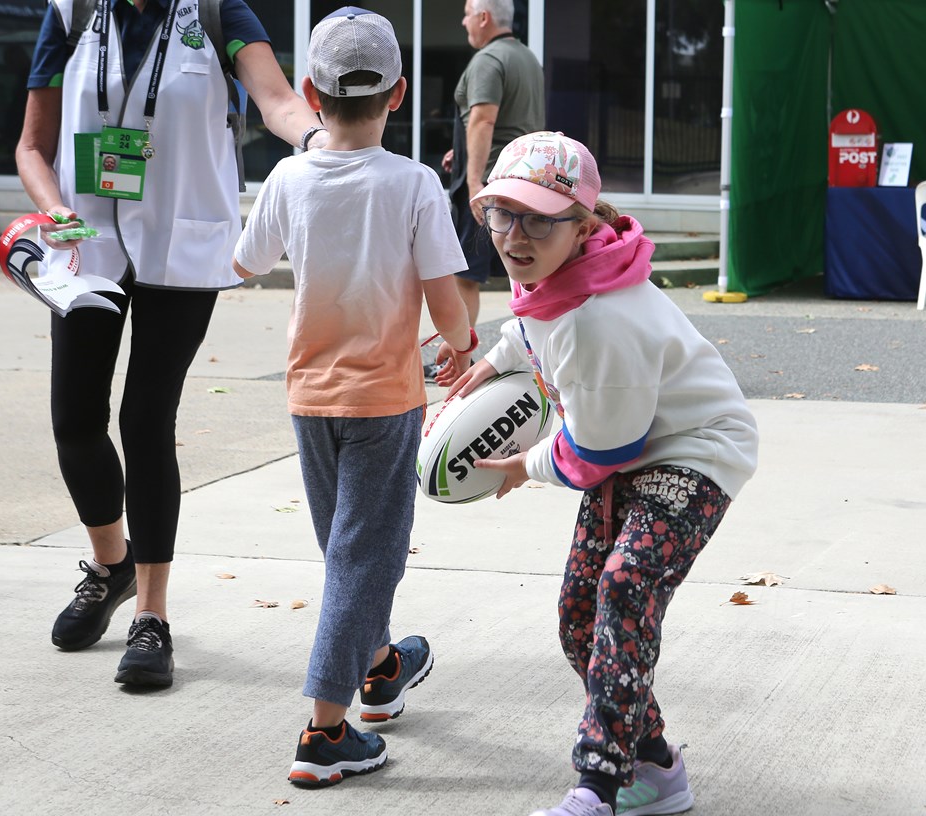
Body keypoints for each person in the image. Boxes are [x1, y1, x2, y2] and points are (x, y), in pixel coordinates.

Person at [444, 131, 760, 816]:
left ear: (583, 227)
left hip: (696, 451)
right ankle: (657, 766)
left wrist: (523, 466)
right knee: (579, 616)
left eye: (539, 220)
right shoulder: (550, 271)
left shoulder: (600, 320)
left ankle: (598, 785)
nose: (515, 236)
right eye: (503, 213)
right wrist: (497, 357)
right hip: (627, 442)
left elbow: (599, 453)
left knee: (624, 584)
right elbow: (531, 320)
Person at [15, 0, 329, 688]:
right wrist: (52, 206)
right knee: (74, 421)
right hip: (85, 246)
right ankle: (112, 565)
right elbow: (32, 146)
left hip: (183, 247)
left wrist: (317, 142)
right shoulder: (71, 13)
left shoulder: (216, 12)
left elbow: (277, 99)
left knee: (146, 419)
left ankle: (151, 616)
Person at [231, 7, 474, 787]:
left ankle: (380, 666)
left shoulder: (288, 178)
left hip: (308, 398)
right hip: (384, 402)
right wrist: (464, 345)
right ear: (398, 95)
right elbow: (446, 303)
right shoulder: (415, 184)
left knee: (347, 549)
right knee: (364, 557)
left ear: (310, 92)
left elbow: (246, 262)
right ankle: (325, 732)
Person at [430, 0, 543, 383]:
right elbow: (512, 119)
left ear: (484, 17)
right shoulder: (526, 58)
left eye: (467, 13)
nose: (463, 21)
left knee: (465, 275)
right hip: (524, 177)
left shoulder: (487, 60)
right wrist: (460, 152)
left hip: (492, 183)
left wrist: (475, 181)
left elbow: (483, 119)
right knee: (527, 269)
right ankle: (536, 355)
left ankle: (458, 362)